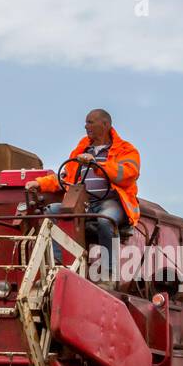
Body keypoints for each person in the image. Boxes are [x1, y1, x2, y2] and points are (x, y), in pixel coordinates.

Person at [27, 109, 141, 276]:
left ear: (105, 124)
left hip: (111, 202)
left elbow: (127, 174)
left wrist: (98, 165)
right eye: (86, 122)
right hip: (85, 204)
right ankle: (58, 266)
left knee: (105, 220)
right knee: (52, 211)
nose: (86, 126)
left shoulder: (126, 150)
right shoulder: (81, 150)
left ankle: (109, 272)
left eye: (90, 122)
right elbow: (65, 177)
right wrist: (39, 184)